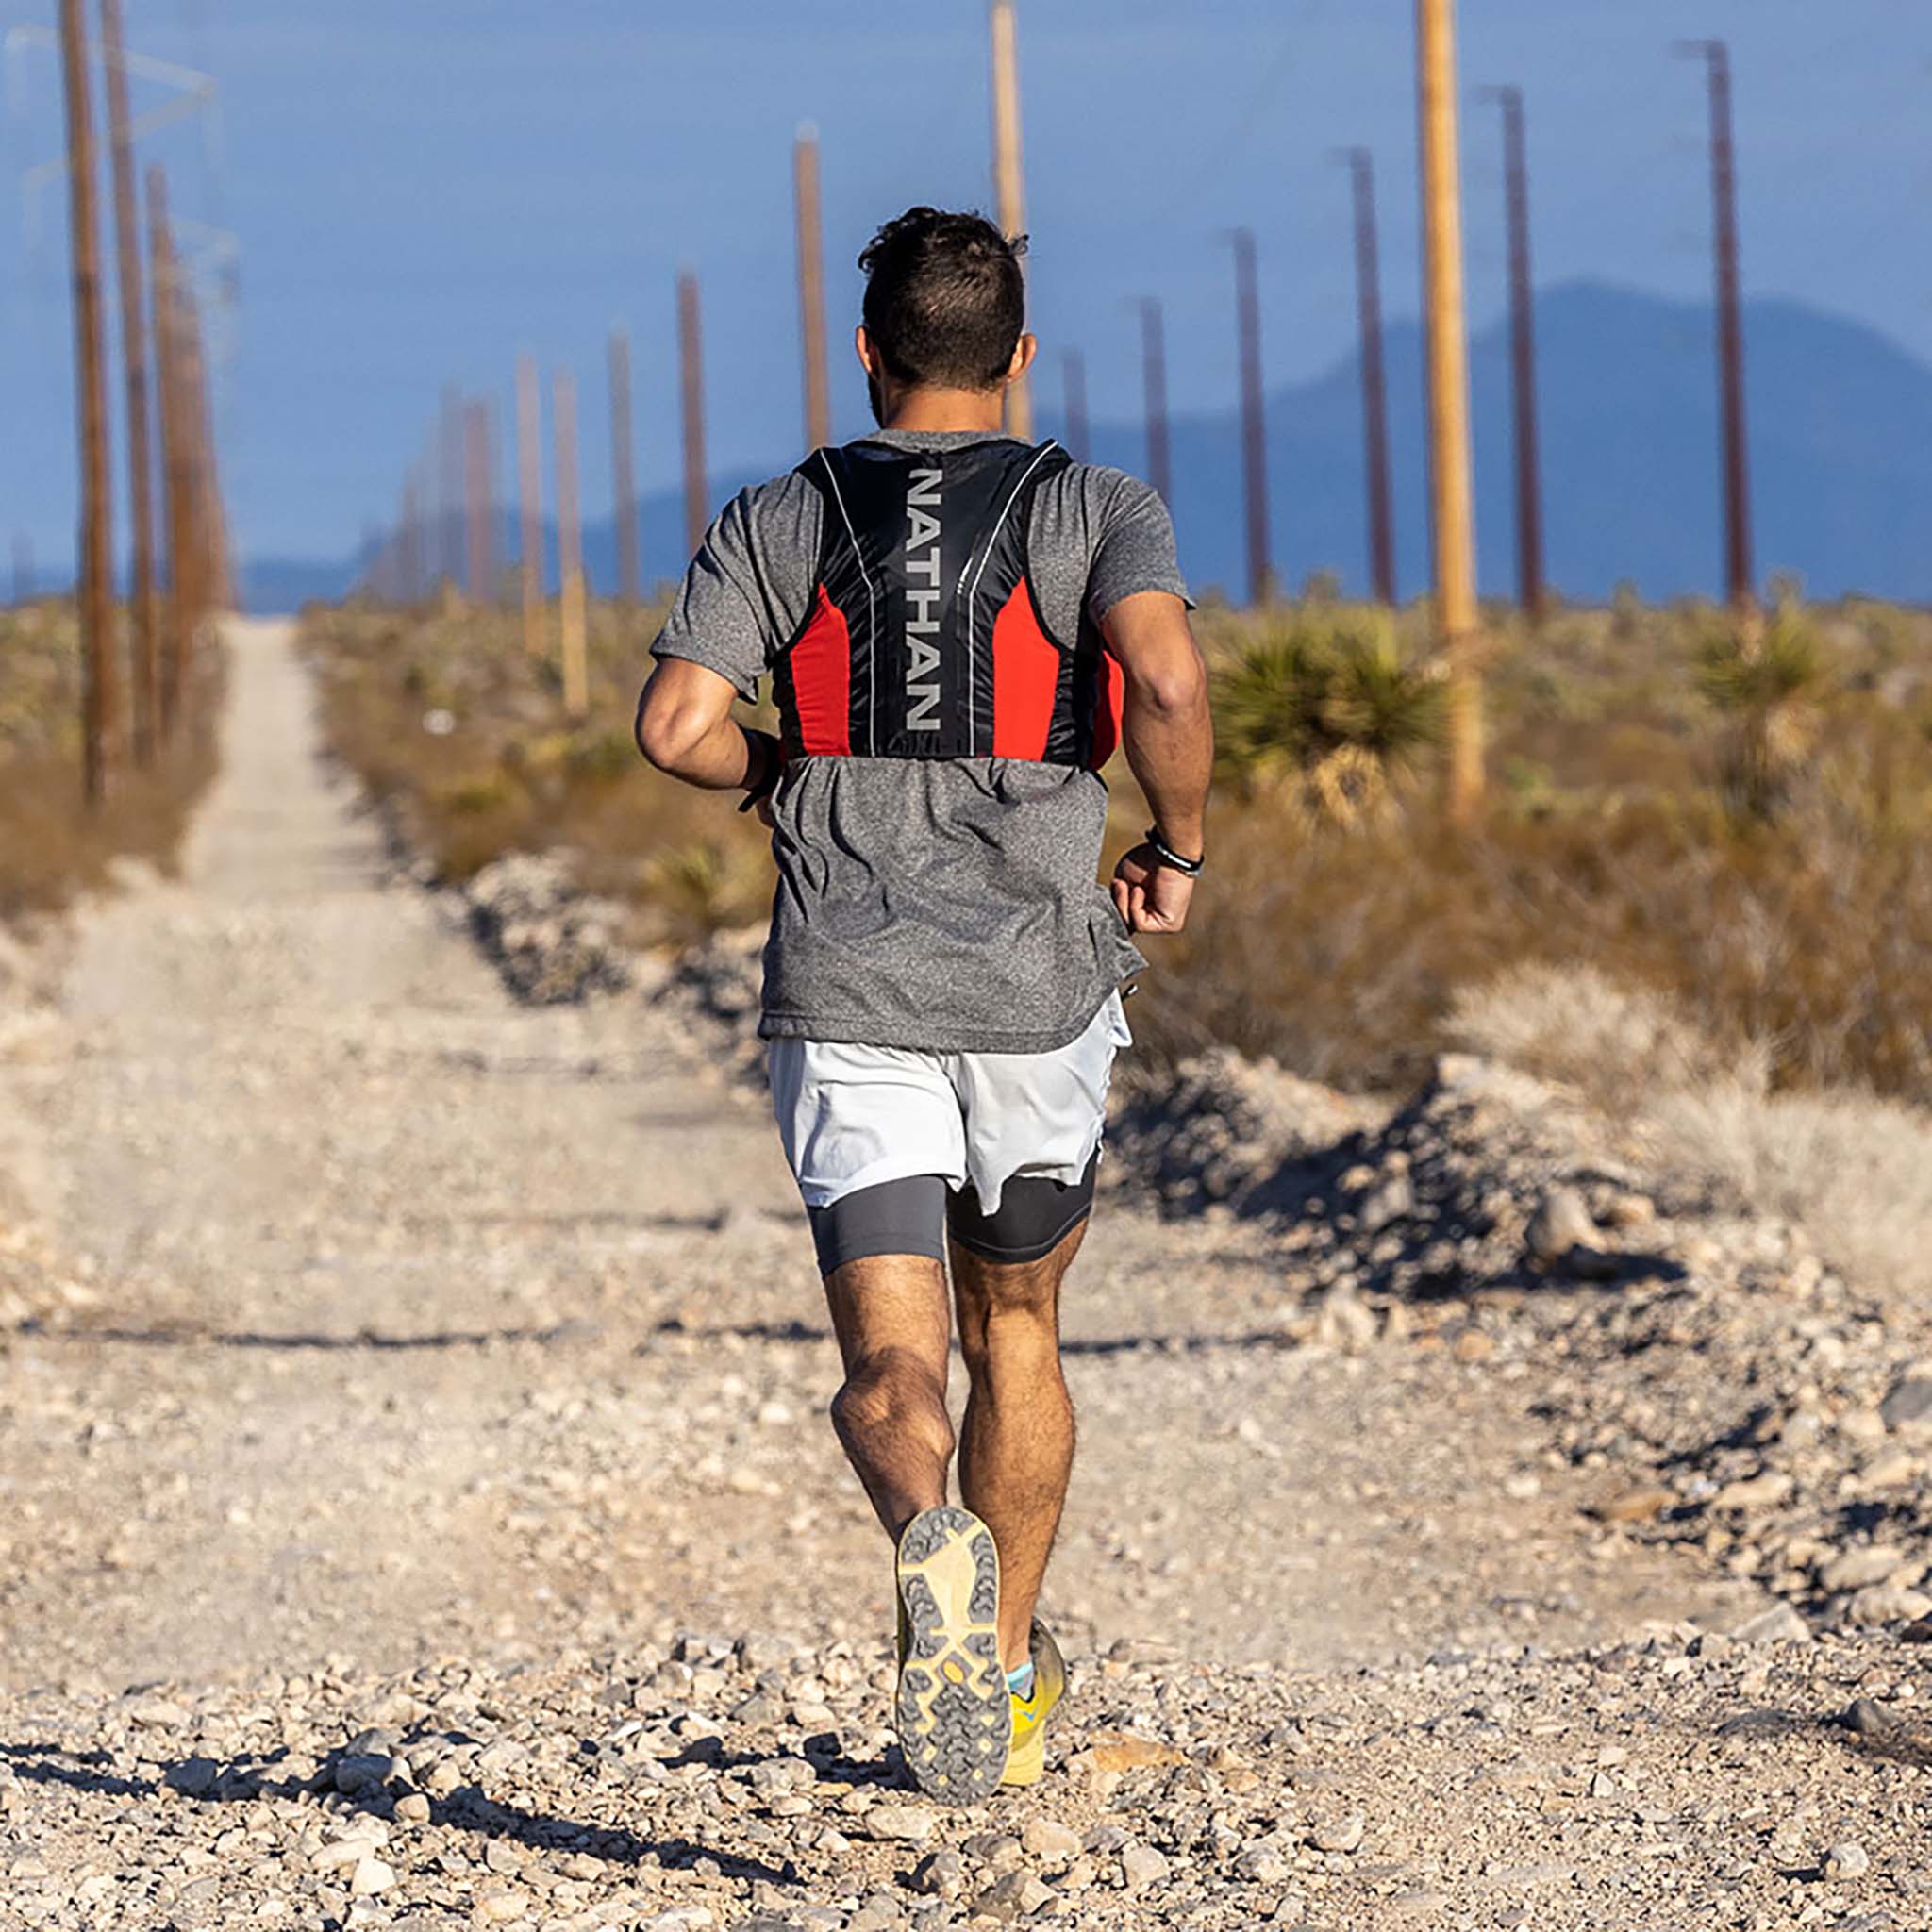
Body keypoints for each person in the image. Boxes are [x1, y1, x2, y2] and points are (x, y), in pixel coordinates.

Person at [634, 206, 1212, 1805]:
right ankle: (1007, 1682)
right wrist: (1176, 845)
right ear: (1022, 356)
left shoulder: (786, 512)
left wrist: (782, 777)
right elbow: (1162, 684)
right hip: (1035, 990)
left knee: (894, 1363)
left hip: (845, 988)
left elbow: (675, 720)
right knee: (1014, 1323)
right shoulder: (1095, 507)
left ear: (871, 354)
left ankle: (926, 1545)